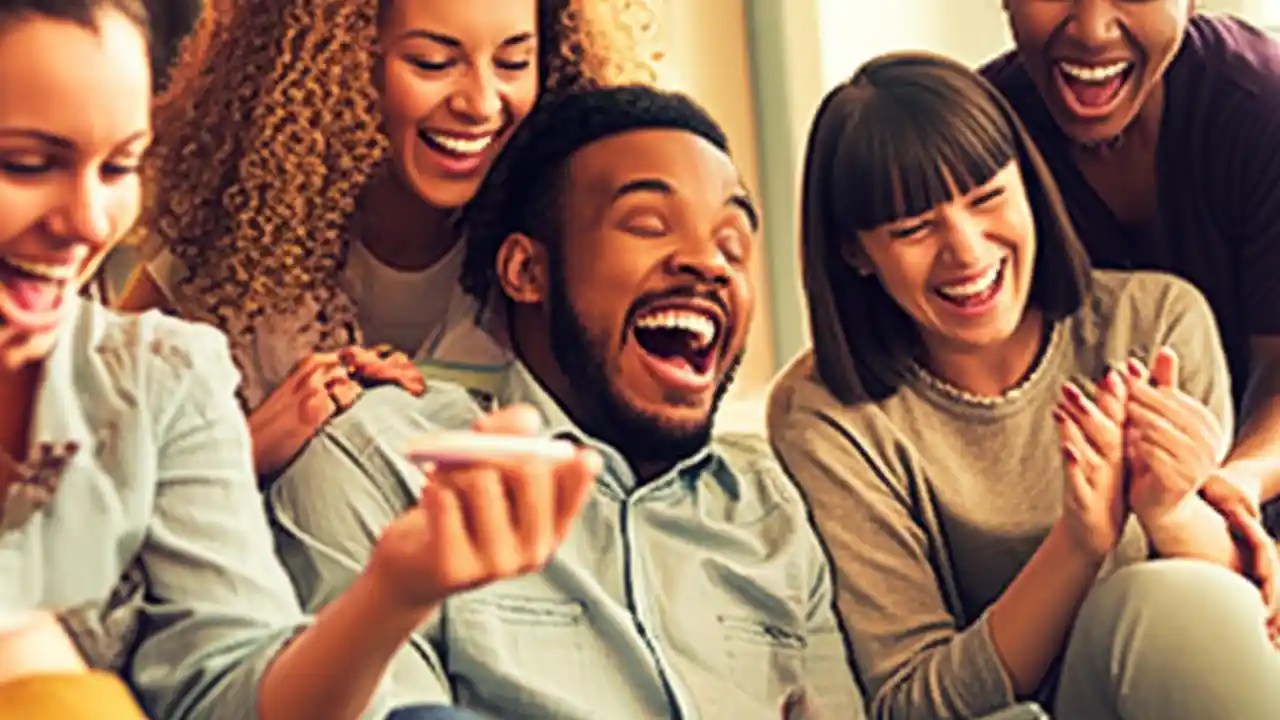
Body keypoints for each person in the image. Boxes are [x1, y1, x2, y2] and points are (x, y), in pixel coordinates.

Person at [0, 1, 598, 717]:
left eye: (122, 165)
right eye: (26, 165)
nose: (90, 223)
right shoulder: (222, 270)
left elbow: (227, 683)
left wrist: (393, 591)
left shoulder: (160, 377)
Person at [267, 85, 864, 719]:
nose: (708, 264)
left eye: (732, 244)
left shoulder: (770, 508)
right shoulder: (379, 459)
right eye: (648, 226)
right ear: (526, 271)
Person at [769, 52, 1280, 720]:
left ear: (1031, 188)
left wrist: (1173, 511)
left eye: (988, 199)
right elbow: (908, 705)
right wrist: (1078, 543)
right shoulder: (828, 415)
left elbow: (1240, 614)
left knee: (1173, 599)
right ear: (856, 251)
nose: (967, 252)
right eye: (915, 228)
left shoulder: (1153, 321)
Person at [116, 0, 659, 477]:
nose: (482, 104)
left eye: (513, 62)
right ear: (339, 65)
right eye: (433, 63)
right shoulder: (227, 251)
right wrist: (251, 450)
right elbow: (93, 493)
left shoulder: (560, 251)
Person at [983, 2, 1280, 532]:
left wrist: (1230, 491)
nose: (1092, 30)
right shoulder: (986, 134)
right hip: (1079, 527)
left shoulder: (1263, 108)